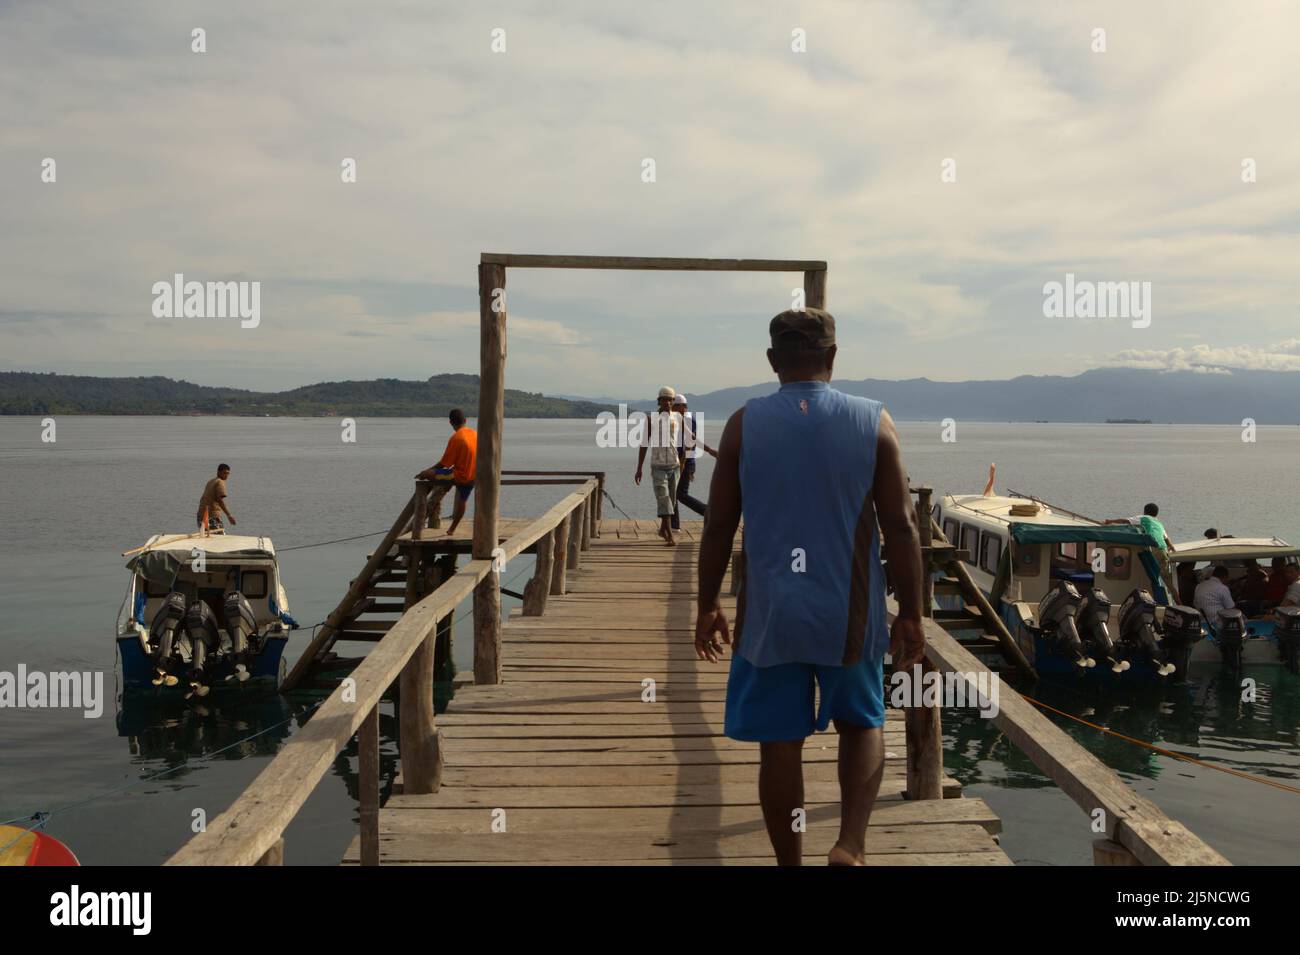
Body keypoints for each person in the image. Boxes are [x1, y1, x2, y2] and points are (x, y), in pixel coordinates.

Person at [694, 307, 926, 867]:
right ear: (833, 357)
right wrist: (913, 612)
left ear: (773, 361)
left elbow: (720, 523)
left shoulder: (744, 425)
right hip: (850, 610)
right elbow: (901, 526)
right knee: (862, 722)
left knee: (779, 744)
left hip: (771, 612)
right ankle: (850, 843)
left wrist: (706, 605)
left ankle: (789, 866)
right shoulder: (874, 422)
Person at [416, 408, 477, 536]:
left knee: (428, 475)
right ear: (465, 420)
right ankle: (452, 529)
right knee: (463, 500)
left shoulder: (456, 438)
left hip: (458, 475)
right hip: (473, 475)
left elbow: (444, 464)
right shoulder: (474, 434)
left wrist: (427, 471)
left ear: (450, 422)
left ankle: (432, 501)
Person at [634, 386, 681, 545]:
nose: (667, 402)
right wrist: (639, 468)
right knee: (664, 498)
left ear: (674, 402)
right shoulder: (650, 419)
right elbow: (643, 444)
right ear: (659, 401)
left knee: (671, 501)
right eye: (664, 399)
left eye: (670, 399)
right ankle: (669, 534)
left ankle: (662, 529)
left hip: (674, 465)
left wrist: (709, 449)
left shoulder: (678, 418)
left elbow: (690, 437)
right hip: (658, 466)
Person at [670, 393, 717, 529]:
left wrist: (686, 464)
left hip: (684, 461)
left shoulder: (689, 420)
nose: (672, 409)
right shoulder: (678, 418)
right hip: (678, 461)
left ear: (681, 406)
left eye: (674, 406)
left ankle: (707, 511)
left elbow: (691, 442)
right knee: (672, 492)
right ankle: (674, 525)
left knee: (680, 494)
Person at [197, 463, 235, 535]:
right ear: (218, 472)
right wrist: (229, 515)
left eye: (228, 473)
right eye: (224, 473)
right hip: (212, 516)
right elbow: (219, 500)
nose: (226, 475)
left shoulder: (211, 481)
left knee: (207, 537)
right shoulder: (220, 482)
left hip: (201, 515)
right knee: (219, 538)